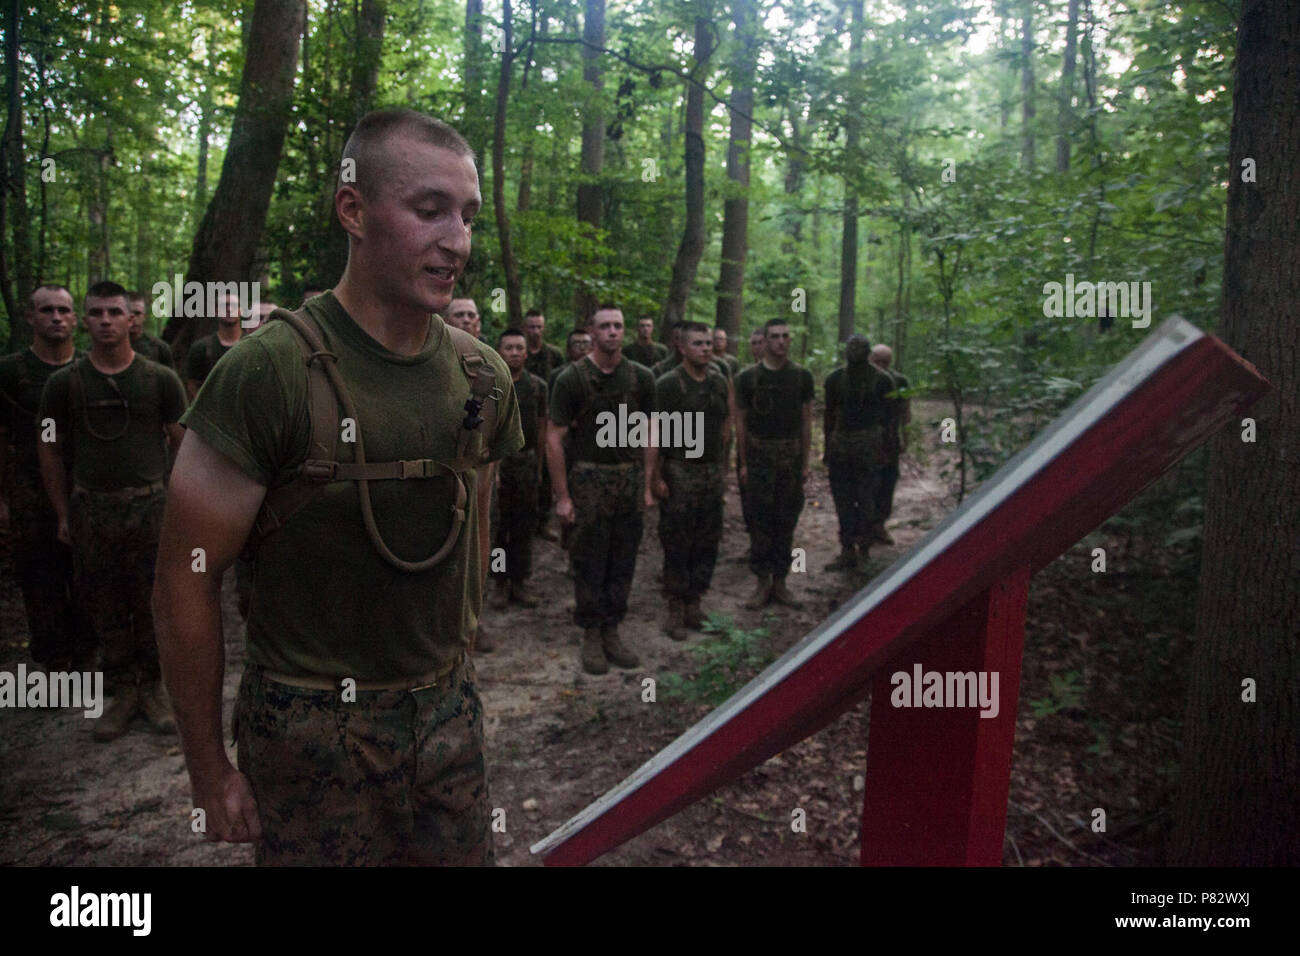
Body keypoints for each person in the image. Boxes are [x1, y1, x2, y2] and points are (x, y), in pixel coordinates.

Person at [153, 108, 522, 866]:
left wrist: (460, 659)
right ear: (352, 209)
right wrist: (208, 770)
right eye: (430, 211)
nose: (458, 241)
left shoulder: (482, 375)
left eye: (468, 216)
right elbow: (183, 579)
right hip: (311, 739)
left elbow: (474, 514)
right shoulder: (268, 372)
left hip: (447, 720)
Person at [38, 280, 187, 741]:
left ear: (130, 319)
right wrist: (63, 511)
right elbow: (49, 447)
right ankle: (123, 690)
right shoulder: (63, 384)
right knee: (102, 601)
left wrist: (182, 508)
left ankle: (154, 687)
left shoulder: (159, 379)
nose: (105, 321)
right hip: (92, 510)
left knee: (153, 598)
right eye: (97, 313)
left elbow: (183, 442)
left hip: (150, 506)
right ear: (85, 321)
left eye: (114, 313)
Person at [547, 306, 655, 674]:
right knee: (589, 558)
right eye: (605, 326)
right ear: (591, 332)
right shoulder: (571, 379)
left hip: (629, 478)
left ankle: (613, 629)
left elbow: (651, 431)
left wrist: (649, 483)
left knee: (623, 557)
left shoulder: (641, 377)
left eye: (618, 326)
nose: (613, 332)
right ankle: (591, 631)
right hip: (589, 480)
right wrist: (562, 497)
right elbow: (554, 438)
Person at [0, 285, 91, 671]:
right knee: (41, 580)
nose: (56, 317)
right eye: (47, 310)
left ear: (75, 318)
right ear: (31, 317)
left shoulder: (90, 368)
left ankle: (91, 659)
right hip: (27, 490)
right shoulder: (10, 372)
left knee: (89, 576)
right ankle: (55, 664)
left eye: (63, 310)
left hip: (85, 487)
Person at [649, 322, 733, 640]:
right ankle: (674, 604)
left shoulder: (719, 380)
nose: (706, 348)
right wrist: (655, 477)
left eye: (709, 343)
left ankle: (695, 602)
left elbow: (726, 424)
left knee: (708, 538)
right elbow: (654, 431)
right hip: (679, 470)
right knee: (677, 539)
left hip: (710, 470)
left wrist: (724, 467)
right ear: (682, 348)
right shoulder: (669, 384)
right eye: (698, 343)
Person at [735, 318, 812, 610]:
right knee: (759, 521)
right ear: (764, 341)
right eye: (775, 336)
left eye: (786, 336)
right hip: (758, 460)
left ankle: (781, 582)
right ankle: (761, 582)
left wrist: (805, 463)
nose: (781, 341)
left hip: (790, 460)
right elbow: (740, 423)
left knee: (786, 520)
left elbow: (806, 422)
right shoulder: (747, 378)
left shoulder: (801, 376)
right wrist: (742, 463)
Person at [489, 328, 547, 615]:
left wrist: (539, 468)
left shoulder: (538, 387)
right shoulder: (492, 385)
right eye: (509, 347)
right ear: (500, 351)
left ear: (526, 352)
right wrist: (494, 472)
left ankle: (520, 582)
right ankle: (499, 582)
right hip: (501, 462)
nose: (514, 353)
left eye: (519, 348)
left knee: (524, 525)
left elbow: (543, 426)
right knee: (500, 528)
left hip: (527, 462)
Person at [823, 335, 893, 570]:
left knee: (866, 498)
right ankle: (847, 549)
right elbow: (829, 416)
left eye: (859, 348)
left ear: (867, 352)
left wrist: (887, 449)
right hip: (841, 444)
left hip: (869, 444)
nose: (853, 352)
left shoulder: (882, 381)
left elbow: (889, 419)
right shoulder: (835, 380)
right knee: (842, 497)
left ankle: (864, 549)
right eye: (850, 347)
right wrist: (827, 447)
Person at [870, 343, 910, 545]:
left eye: (885, 362)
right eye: (877, 361)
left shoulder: (900, 380)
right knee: (868, 484)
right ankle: (865, 527)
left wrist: (905, 436)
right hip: (867, 442)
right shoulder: (864, 379)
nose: (881, 366)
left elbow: (905, 411)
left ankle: (879, 524)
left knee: (888, 482)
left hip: (890, 441)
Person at [184, 290, 243, 401]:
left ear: (241, 310)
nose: (229, 309)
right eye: (224, 306)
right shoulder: (201, 348)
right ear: (215, 310)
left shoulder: (251, 344)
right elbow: (192, 385)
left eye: (234, 305)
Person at [127, 291, 176, 369]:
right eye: (128, 313)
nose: (133, 318)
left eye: (137, 313)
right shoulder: (110, 345)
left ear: (144, 316)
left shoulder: (159, 348)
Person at [523, 309, 564, 381]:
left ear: (544, 328)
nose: (536, 331)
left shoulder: (555, 354)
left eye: (539, 327)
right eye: (532, 327)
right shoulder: (519, 353)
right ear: (525, 328)